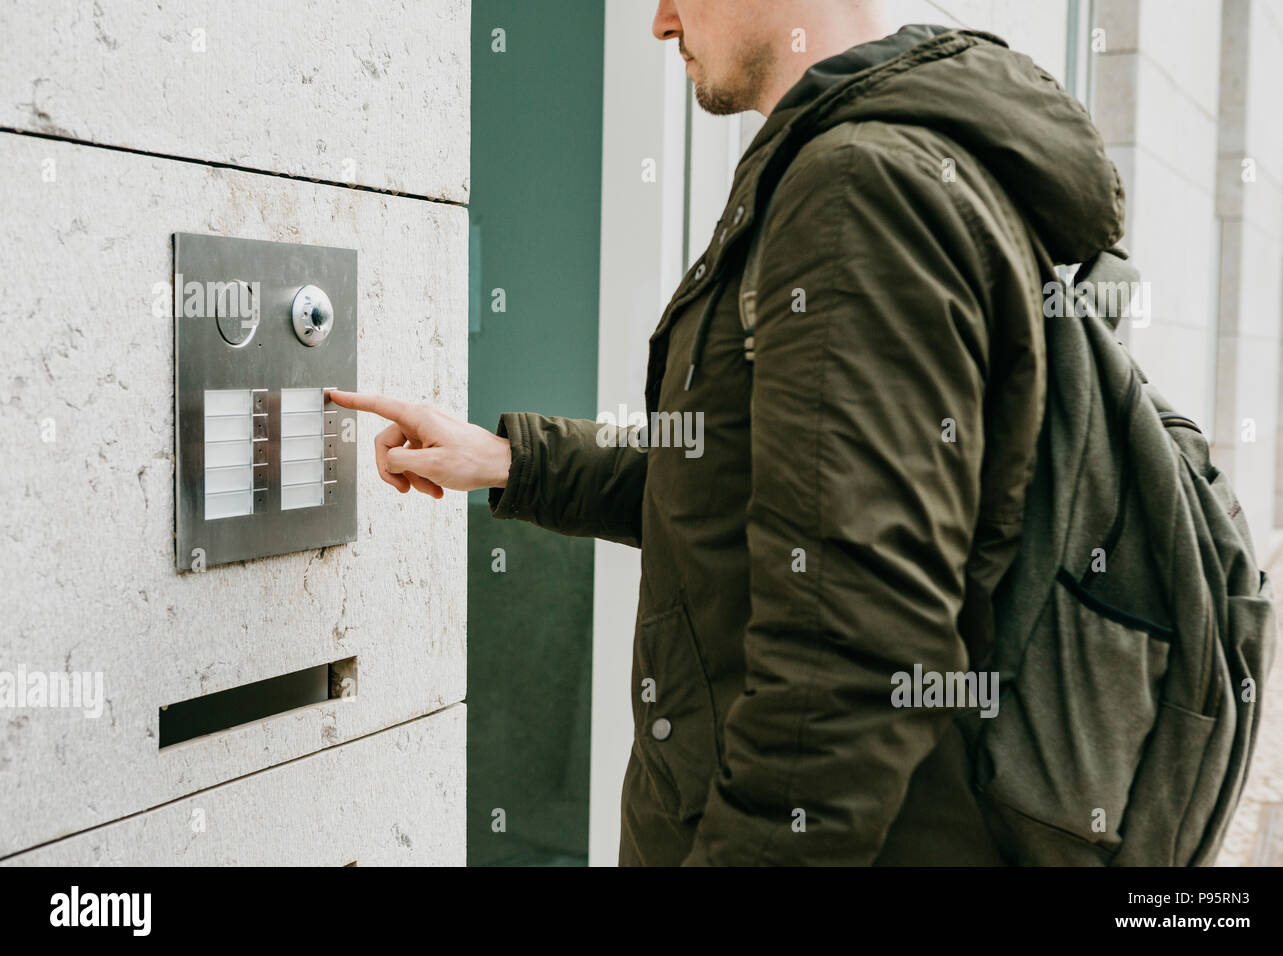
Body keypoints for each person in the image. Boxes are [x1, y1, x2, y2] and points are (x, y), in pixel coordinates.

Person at [329, 0, 1125, 865]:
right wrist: (512, 460)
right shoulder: (874, 164)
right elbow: (746, 481)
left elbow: (853, 658)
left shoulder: (858, 189)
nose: (662, 22)